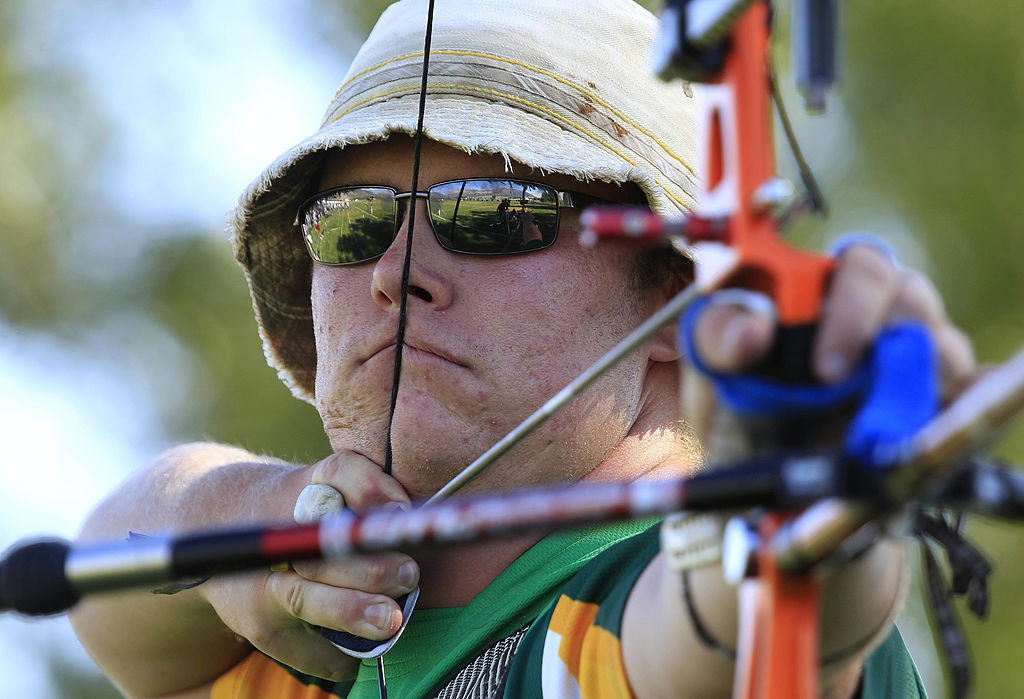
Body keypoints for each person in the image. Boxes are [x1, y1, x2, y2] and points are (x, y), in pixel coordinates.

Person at [68, 1, 976, 697]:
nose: (396, 272)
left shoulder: (629, 610)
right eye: (352, 225)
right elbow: (98, 587)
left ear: (677, 300)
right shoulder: (315, 643)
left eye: (493, 215)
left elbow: (748, 619)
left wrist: (807, 489)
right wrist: (259, 512)